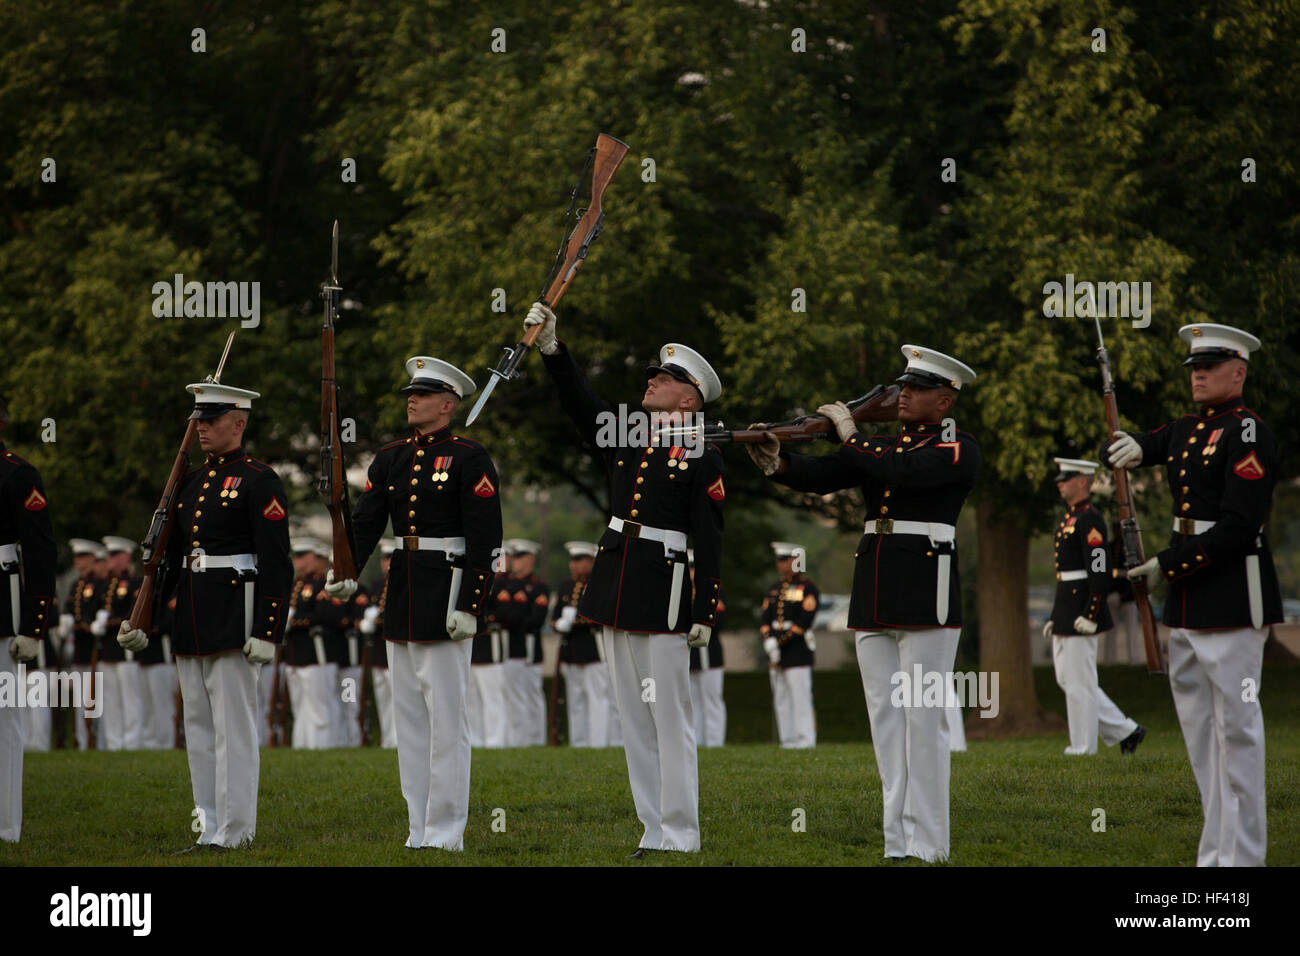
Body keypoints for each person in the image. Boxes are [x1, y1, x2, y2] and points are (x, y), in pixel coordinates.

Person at [747, 344, 979, 862]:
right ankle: (897, 842)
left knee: (923, 721)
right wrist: (779, 462)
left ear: (945, 401)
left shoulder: (957, 445)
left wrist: (851, 431)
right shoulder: (885, 448)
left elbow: (906, 473)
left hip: (926, 591)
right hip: (875, 587)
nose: (904, 395)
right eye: (904, 386)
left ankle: (930, 844)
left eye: (917, 389)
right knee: (885, 719)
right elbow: (827, 475)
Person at [527, 301, 725, 857]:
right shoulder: (629, 435)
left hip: (663, 588)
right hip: (615, 581)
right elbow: (580, 406)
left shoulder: (702, 453)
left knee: (668, 716)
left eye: (664, 379)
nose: (653, 382)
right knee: (633, 717)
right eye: (654, 376)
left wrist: (705, 609)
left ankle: (681, 833)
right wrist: (551, 349)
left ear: (689, 399)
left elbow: (710, 538)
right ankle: (653, 829)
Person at [1105, 323, 1280, 867]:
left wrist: (1166, 565)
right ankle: (1215, 854)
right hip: (1186, 601)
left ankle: (1244, 860)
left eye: (1209, 366)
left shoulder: (1248, 434)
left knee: (1238, 737)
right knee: (1202, 739)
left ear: (1239, 371)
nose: (1198, 375)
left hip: (1228, 595)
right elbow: (1157, 443)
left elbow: (1236, 526)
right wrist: (1132, 443)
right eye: (1193, 368)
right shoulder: (1188, 427)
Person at [326, 356, 502, 851]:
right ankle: (418, 828)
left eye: (422, 395)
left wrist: (472, 603)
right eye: (410, 393)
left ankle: (446, 833)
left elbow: (486, 537)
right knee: (409, 721)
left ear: (447, 404)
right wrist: (344, 571)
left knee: (446, 722)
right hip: (402, 590)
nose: (411, 399)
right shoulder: (390, 457)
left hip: (446, 590)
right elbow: (366, 523)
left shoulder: (469, 457)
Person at [118, 380, 292, 851]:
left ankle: (235, 831)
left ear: (238, 423)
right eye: (198, 421)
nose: (202, 429)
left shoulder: (259, 479)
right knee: (196, 726)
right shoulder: (191, 482)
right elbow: (169, 561)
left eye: (211, 421)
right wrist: (144, 617)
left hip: (235, 614)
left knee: (233, 728)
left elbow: (277, 562)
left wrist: (268, 628)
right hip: (192, 614)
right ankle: (208, 826)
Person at [1043, 458, 1144, 756]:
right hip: (1067, 606)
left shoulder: (1090, 519)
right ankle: (1126, 731)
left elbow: (1098, 572)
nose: (1060, 483)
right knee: (1067, 678)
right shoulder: (1071, 517)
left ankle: (1083, 746)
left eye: (1067, 479)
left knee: (1080, 683)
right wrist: (1055, 615)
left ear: (1082, 482)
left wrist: (1091, 613)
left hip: (1081, 608)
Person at [1, 393, 58, 841]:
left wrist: (33, 626)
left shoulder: (19, 474)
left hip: (3, 610)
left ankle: (5, 826)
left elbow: (39, 553)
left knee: (4, 722)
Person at [553, 540, 614, 747]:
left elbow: (602, 615)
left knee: (597, 699)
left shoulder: (599, 584)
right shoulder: (565, 585)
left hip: (594, 649)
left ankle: (598, 743)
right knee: (575, 700)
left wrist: (576, 620)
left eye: (579, 560)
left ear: (591, 561)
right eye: (573, 560)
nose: (574, 565)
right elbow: (554, 618)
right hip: (571, 651)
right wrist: (559, 623)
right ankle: (578, 742)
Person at [760, 542, 819, 749]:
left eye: (785, 560)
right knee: (781, 697)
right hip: (776, 650)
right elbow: (765, 617)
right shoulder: (774, 588)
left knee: (800, 696)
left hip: (797, 650)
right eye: (779, 560)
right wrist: (768, 640)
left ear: (796, 561)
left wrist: (779, 642)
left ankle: (805, 739)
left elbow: (805, 620)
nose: (780, 564)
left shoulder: (806, 587)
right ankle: (788, 739)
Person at [285, 538, 341, 748]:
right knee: (299, 706)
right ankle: (302, 746)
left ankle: (323, 746)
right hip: (296, 653)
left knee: (320, 706)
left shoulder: (322, 584)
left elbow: (326, 616)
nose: (298, 561)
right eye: (296, 556)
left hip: (317, 654)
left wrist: (293, 620)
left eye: (303, 556)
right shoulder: (296, 584)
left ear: (318, 558)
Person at [98, 536, 146, 750]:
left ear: (126, 556)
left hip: (125, 650)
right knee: (111, 698)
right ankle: (114, 741)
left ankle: (132, 740)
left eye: (116, 555)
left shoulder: (135, 582)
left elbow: (132, 614)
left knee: (130, 698)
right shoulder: (107, 584)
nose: (111, 560)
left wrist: (108, 621)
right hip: (107, 648)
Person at [501, 539, 549, 747]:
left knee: (532, 694)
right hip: (510, 646)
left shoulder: (538, 587)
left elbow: (535, 620)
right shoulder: (506, 584)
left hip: (530, 648)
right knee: (513, 696)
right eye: (514, 557)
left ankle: (536, 738)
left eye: (520, 557)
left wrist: (513, 617)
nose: (515, 562)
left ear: (530, 559)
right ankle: (517, 739)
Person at [359, 539, 398, 749]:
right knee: (383, 700)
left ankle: (397, 740)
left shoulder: (401, 583)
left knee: (397, 700)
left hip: (394, 649)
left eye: (391, 558)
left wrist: (377, 619)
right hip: (378, 653)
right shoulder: (377, 585)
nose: (387, 563)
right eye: (385, 559)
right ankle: (387, 739)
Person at [687, 550, 726, 747]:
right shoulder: (682, 593)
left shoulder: (713, 591)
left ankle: (715, 741)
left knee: (711, 700)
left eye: (694, 567)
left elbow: (719, 621)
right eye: (689, 568)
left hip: (710, 654)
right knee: (693, 702)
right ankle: (697, 740)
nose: (692, 572)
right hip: (691, 655)